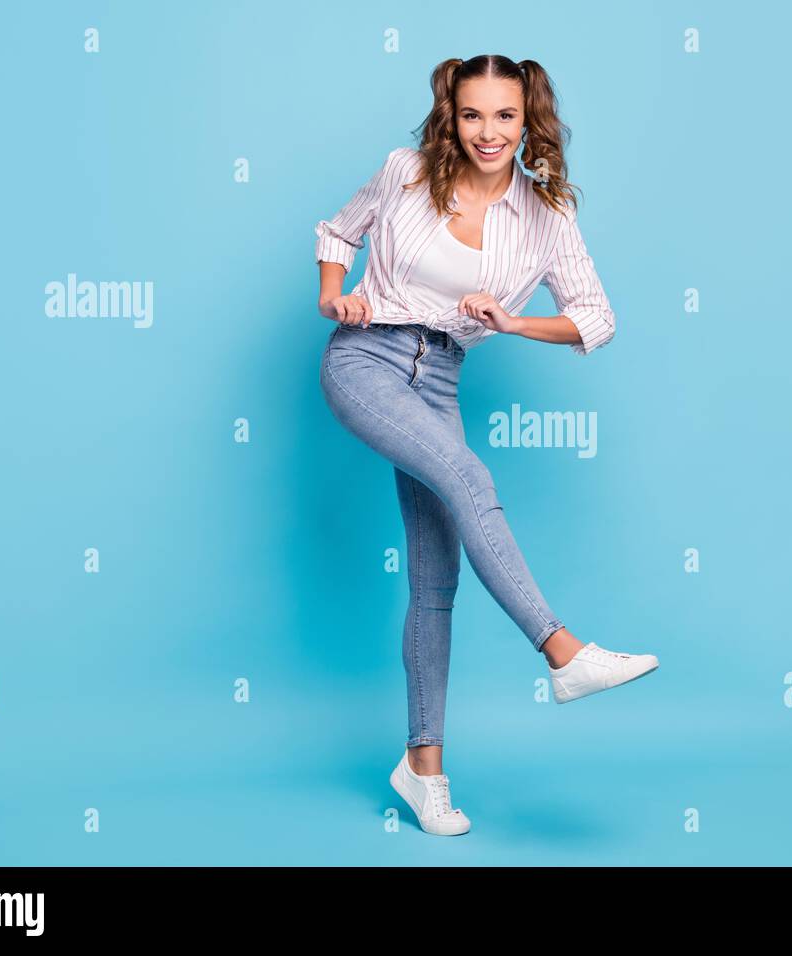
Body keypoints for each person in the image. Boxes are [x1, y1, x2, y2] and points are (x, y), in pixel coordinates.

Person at [315, 54, 658, 836]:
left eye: (505, 116)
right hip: (366, 360)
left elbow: (596, 320)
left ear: (528, 120)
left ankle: (423, 772)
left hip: (441, 379)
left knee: (436, 583)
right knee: (468, 477)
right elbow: (338, 230)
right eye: (473, 115)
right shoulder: (406, 171)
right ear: (451, 115)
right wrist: (336, 295)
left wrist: (512, 321)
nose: (488, 132)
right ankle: (563, 651)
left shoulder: (547, 216)